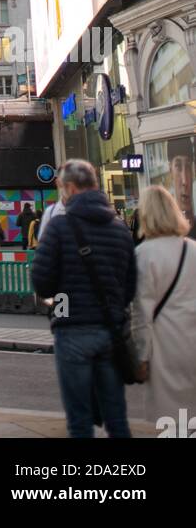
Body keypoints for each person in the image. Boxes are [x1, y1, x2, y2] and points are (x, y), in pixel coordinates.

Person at [31, 158, 136, 440]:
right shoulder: (119, 229)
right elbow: (130, 285)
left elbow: (42, 282)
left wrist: (62, 302)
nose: (62, 194)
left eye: (63, 188)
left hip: (72, 330)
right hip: (112, 332)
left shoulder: (59, 228)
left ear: (72, 188)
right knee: (117, 418)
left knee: (79, 421)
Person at [131, 185, 196, 427]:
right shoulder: (192, 249)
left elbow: (141, 316)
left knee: (174, 422)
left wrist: (141, 357)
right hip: (193, 344)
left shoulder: (144, 255)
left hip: (166, 349)